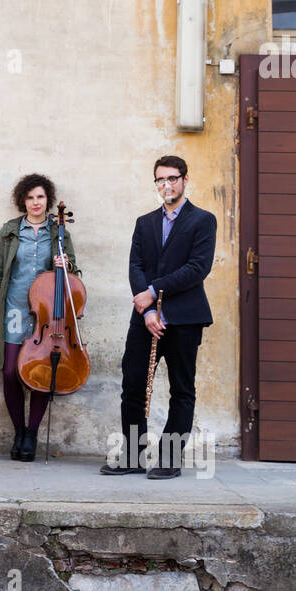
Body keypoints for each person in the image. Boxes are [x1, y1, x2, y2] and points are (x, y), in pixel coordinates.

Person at [100, 155, 216, 480]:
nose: (166, 185)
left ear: (185, 180)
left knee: (181, 389)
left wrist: (153, 290)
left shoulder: (203, 221)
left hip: (184, 317)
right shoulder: (144, 222)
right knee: (133, 385)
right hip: (145, 318)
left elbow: (197, 268)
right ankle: (133, 456)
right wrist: (148, 308)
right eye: (160, 180)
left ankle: (169, 458)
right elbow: (135, 265)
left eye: (172, 178)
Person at [0, 174, 80, 462]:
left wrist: (66, 264)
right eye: (30, 197)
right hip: (14, 309)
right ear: (22, 201)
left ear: (47, 200)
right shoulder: (10, 231)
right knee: (11, 371)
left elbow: (73, 275)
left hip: (46, 315)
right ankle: (18, 430)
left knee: (42, 372)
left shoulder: (59, 232)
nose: (35, 202)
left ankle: (31, 434)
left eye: (40, 197)